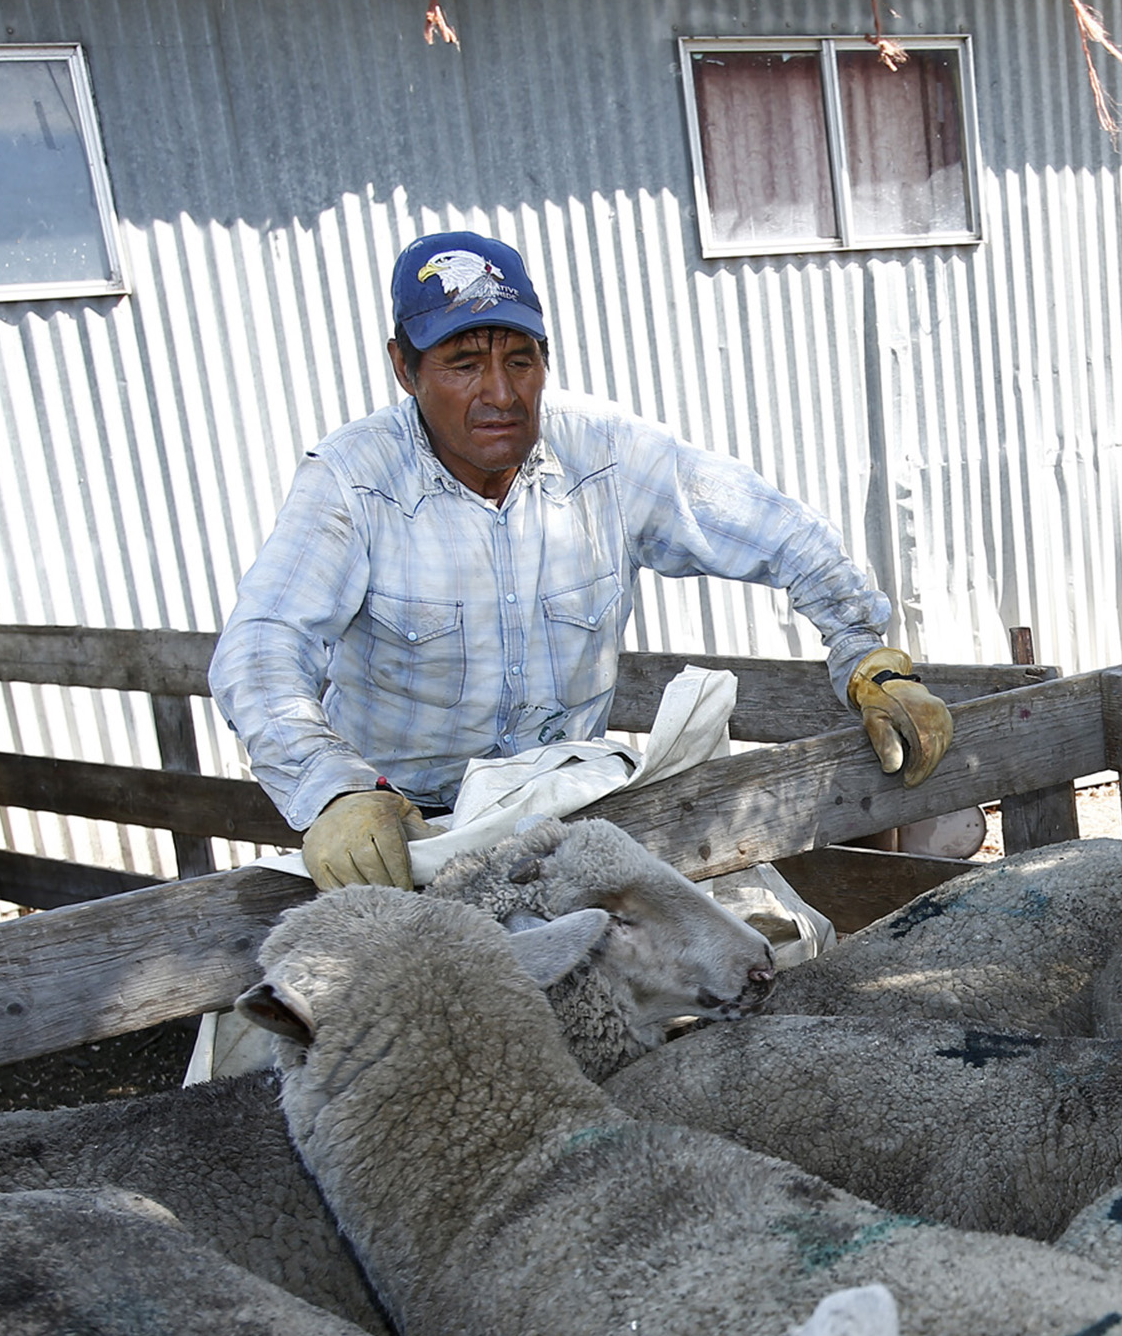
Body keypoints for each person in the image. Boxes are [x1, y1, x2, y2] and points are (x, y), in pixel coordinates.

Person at [211, 229, 954, 890]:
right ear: (405, 370)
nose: (500, 394)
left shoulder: (605, 455)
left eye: (520, 359)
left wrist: (868, 657)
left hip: (569, 820)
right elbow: (262, 647)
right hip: (407, 836)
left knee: (756, 953)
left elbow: (782, 533)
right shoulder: (353, 480)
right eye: (463, 364)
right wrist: (336, 790)